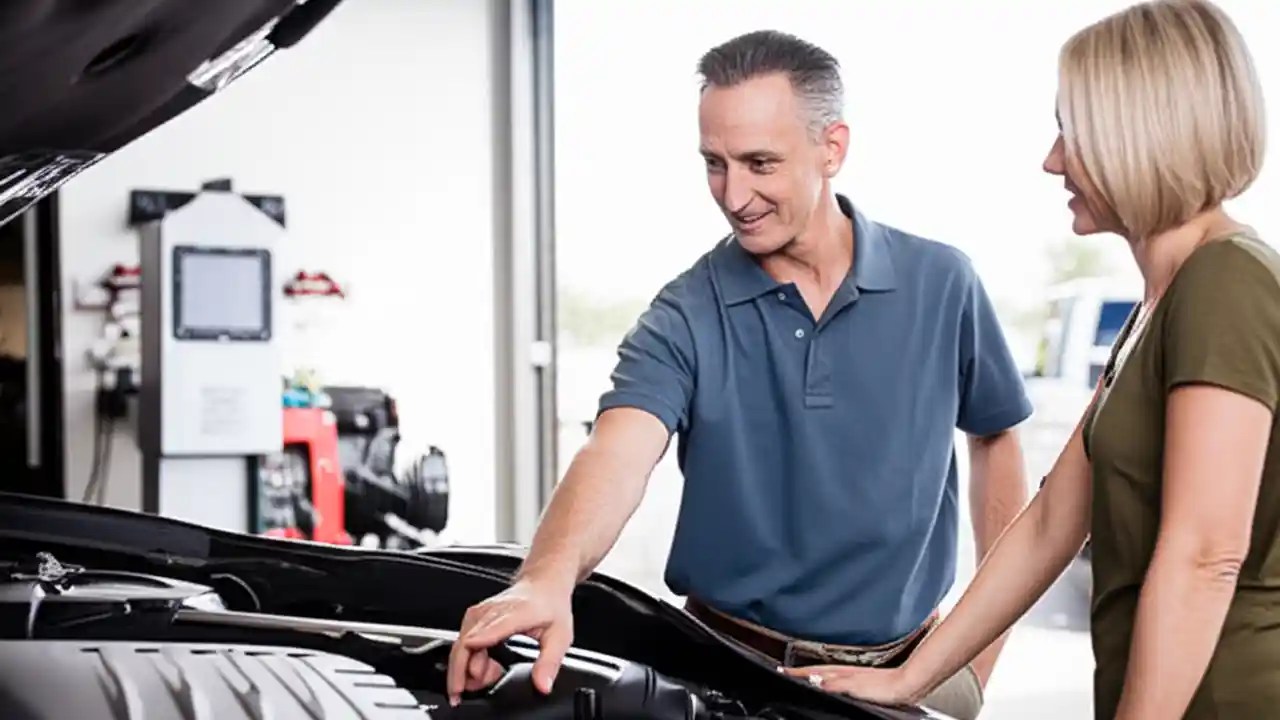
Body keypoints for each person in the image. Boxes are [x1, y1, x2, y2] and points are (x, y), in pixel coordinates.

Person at [447, 29, 1033, 720]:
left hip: (912, 676)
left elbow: (996, 441)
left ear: (832, 148)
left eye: (760, 163)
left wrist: (977, 652)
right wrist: (544, 579)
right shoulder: (686, 312)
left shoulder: (943, 283)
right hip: (732, 671)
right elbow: (617, 452)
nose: (734, 194)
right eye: (714, 164)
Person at [781, 1, 1278, 718]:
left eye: (1069, 131)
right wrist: (908, 677)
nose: (1053, 160)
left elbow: (1206, 555)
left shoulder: (1226, 280)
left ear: (1138, 134)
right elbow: (1051, 520)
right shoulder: (1159, 304)